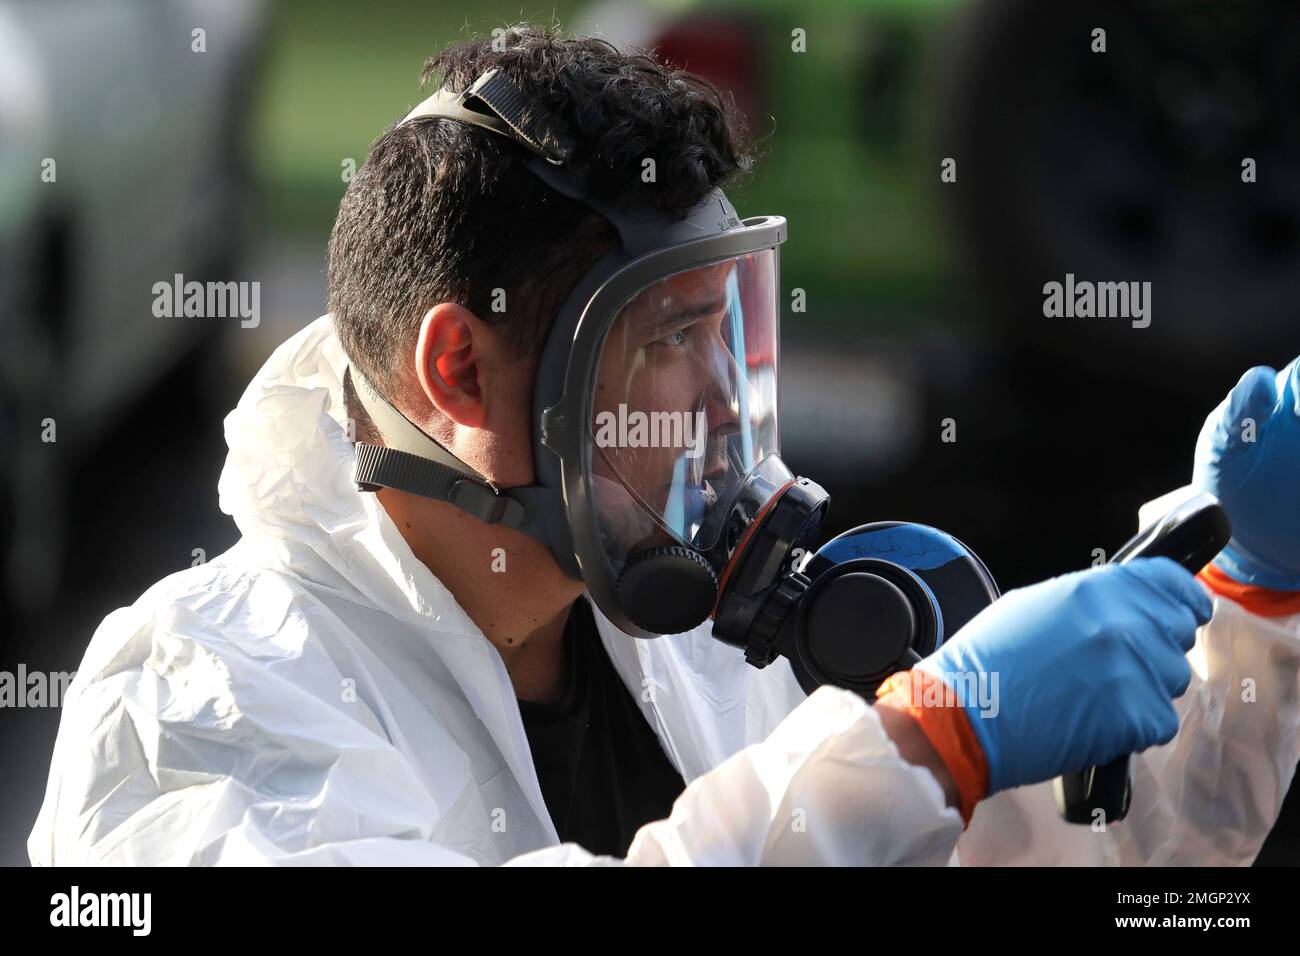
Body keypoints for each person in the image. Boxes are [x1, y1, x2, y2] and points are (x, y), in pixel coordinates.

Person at [29, 26, 1300, 866]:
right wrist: (926, 744)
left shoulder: (675, 639)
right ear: (459, 368)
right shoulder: (197, 698)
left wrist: (1251, 601)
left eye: (726, 330)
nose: (711, 400)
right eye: (665, 338)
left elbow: (965, 849)